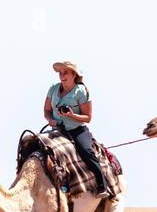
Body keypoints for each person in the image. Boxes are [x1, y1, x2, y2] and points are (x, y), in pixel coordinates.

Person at [44, 60, 109, 197]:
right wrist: (51, 120)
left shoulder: (81, 91)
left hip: (77, 130)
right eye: (60, 72)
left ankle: (102, 185)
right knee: (43, 150)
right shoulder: (53, 89)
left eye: (66, 72)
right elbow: (47, 110)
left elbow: (88, 118)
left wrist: (72, 115)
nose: (62, 75)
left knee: (86, 152)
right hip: (58, 130)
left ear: (74, 74)